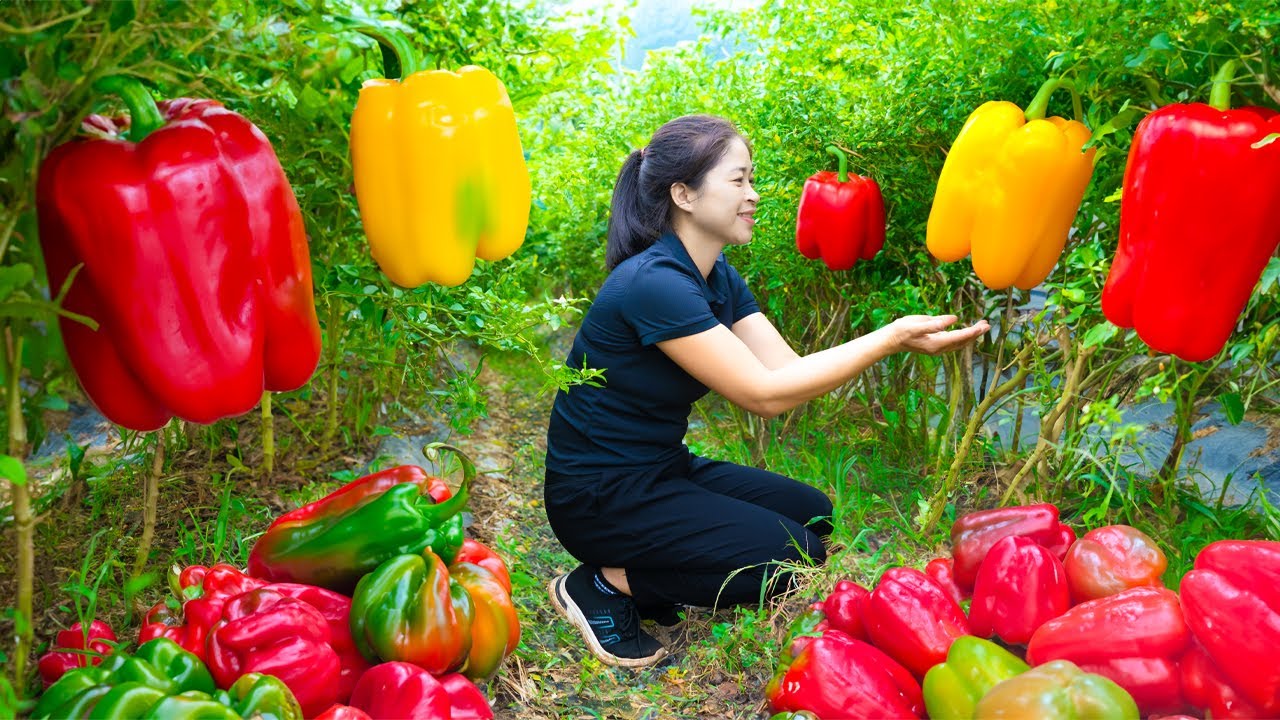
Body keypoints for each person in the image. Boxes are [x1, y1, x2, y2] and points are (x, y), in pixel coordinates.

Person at [544, 115, 989, 667]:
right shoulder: (653, 282)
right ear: (683, 194)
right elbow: (764, 395)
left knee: (813, 517)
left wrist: (895, 340)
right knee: (787, 554)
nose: (754, 196)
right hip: (601, 497)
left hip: (660, 469)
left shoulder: (716, 275)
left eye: (752, 179)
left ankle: (649, 580)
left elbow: (786, 370)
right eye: (738, 181)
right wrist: (889, 338)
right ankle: (608, 585)